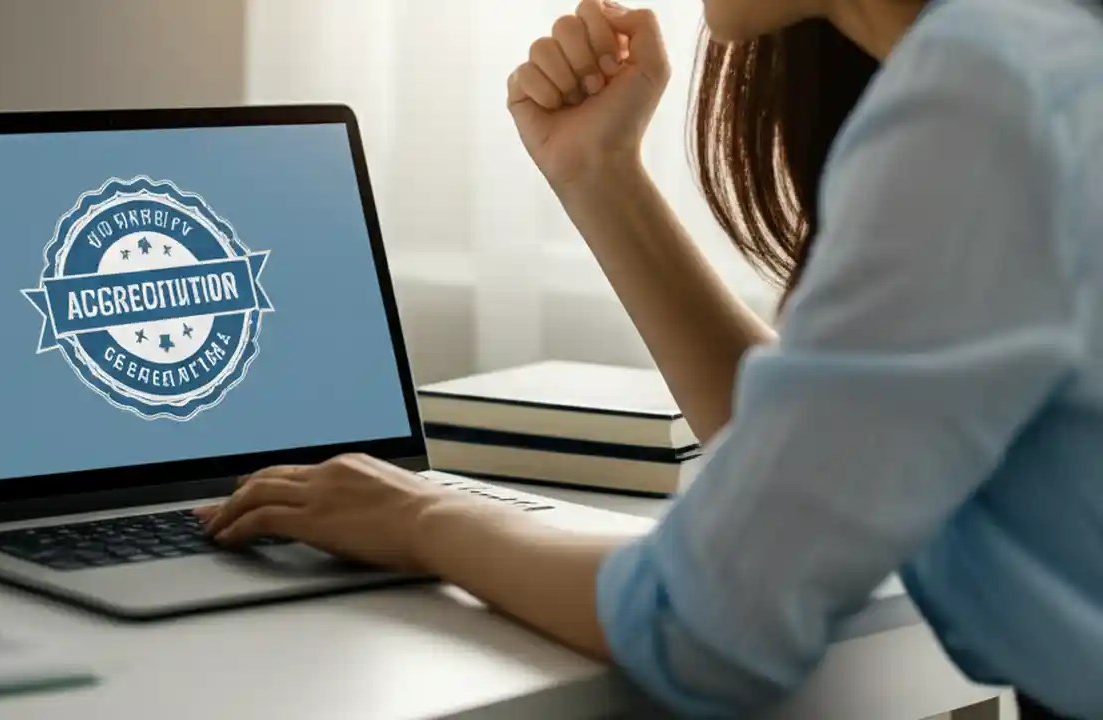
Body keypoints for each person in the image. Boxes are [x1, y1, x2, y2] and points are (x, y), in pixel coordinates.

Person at [195, 0, 1103, 716]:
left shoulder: (986, 94)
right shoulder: (1037, 62)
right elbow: (804, 470)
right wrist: (599, 171)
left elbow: (706, 626)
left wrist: (423, 521)